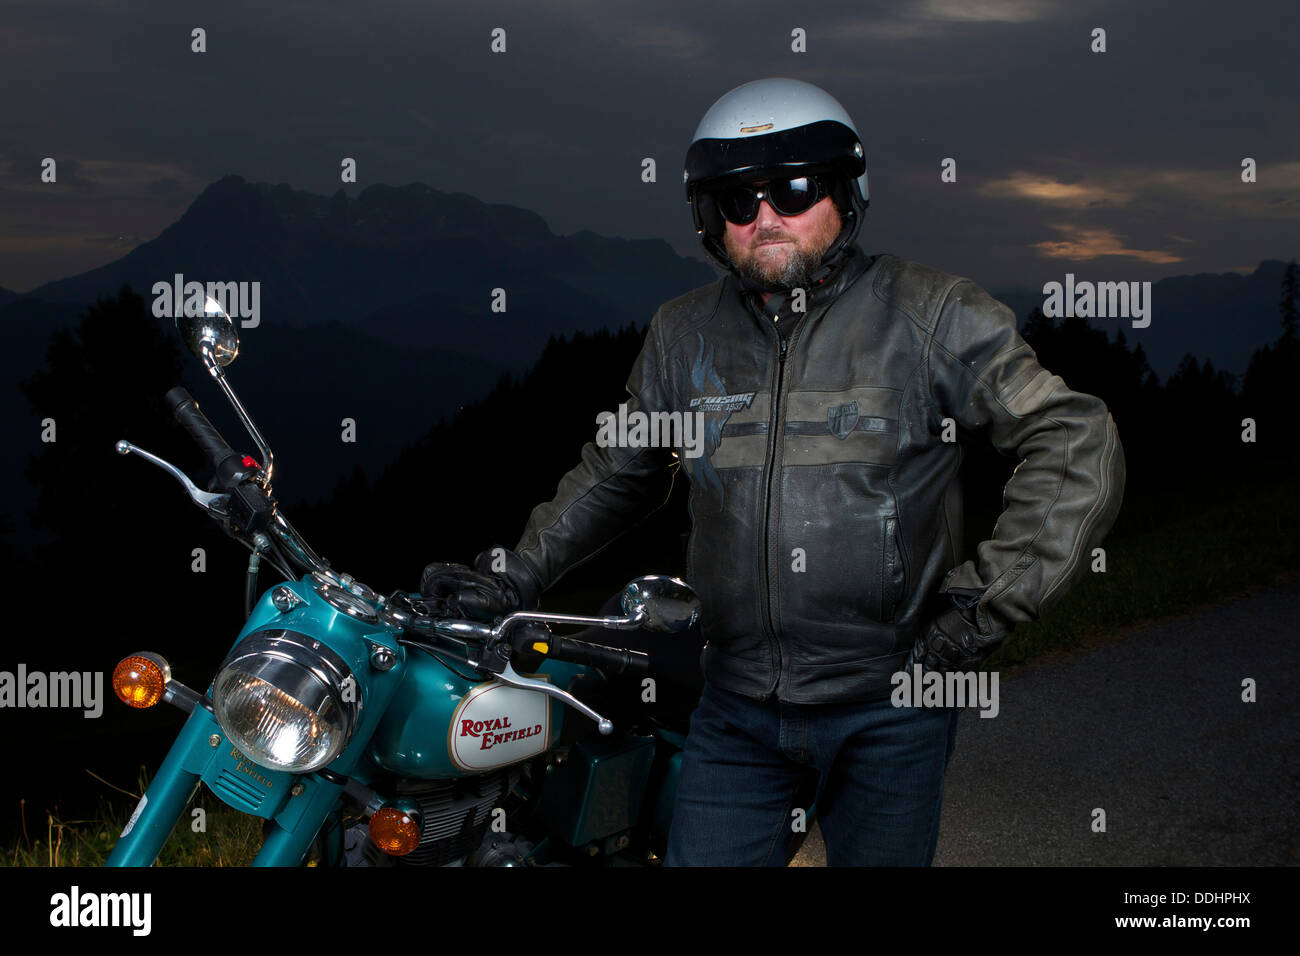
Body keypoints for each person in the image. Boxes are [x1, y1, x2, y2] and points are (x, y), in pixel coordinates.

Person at [419, 77, 1126, 866]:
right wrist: (516, 573)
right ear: (706, 218)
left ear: (846, 192)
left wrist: (981, 608)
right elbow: (620, 472)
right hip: (735, 705)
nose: (765, 219)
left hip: (894, 701)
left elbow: (1073, 436)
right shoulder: (683, 333)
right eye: (736, 200)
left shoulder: (932, 314)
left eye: (794, 190)